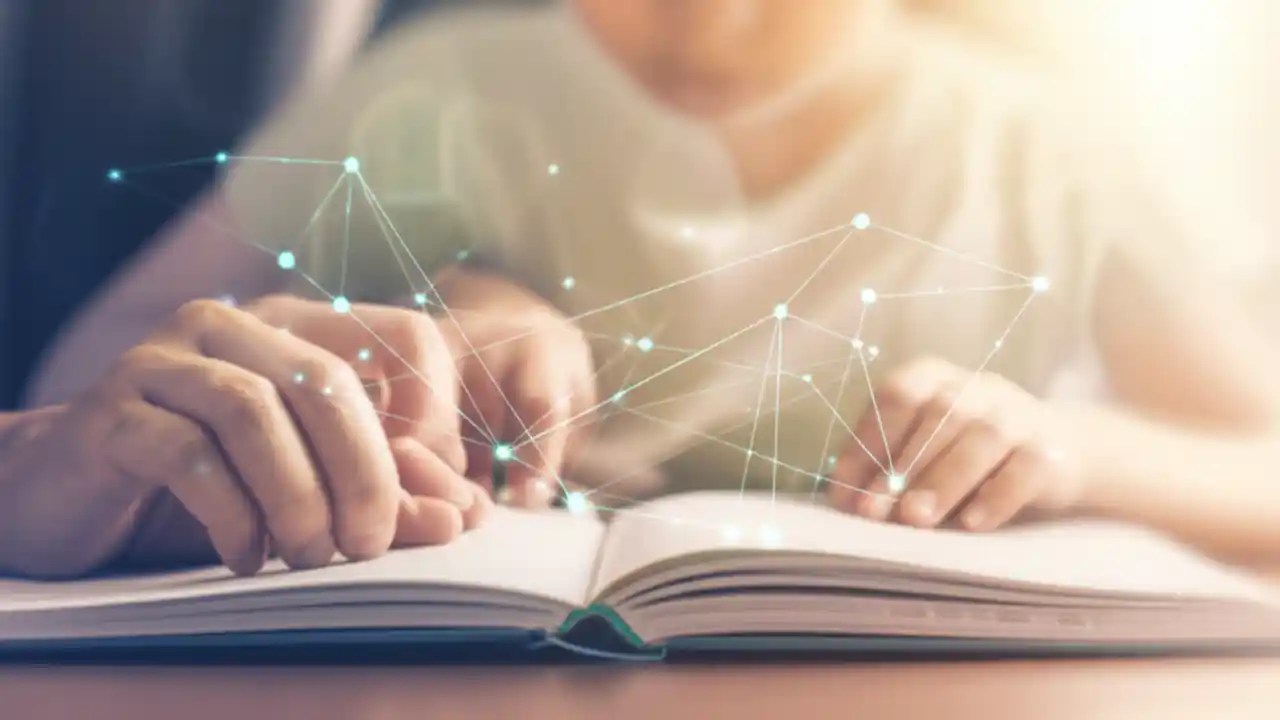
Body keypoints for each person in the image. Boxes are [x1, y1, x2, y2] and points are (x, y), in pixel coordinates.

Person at [7, 0, 1280, 579]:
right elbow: (88, 391)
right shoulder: (442, 84)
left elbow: (1262, 467)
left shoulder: (1035, 133)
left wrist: (1061, 445)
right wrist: (462, 295)